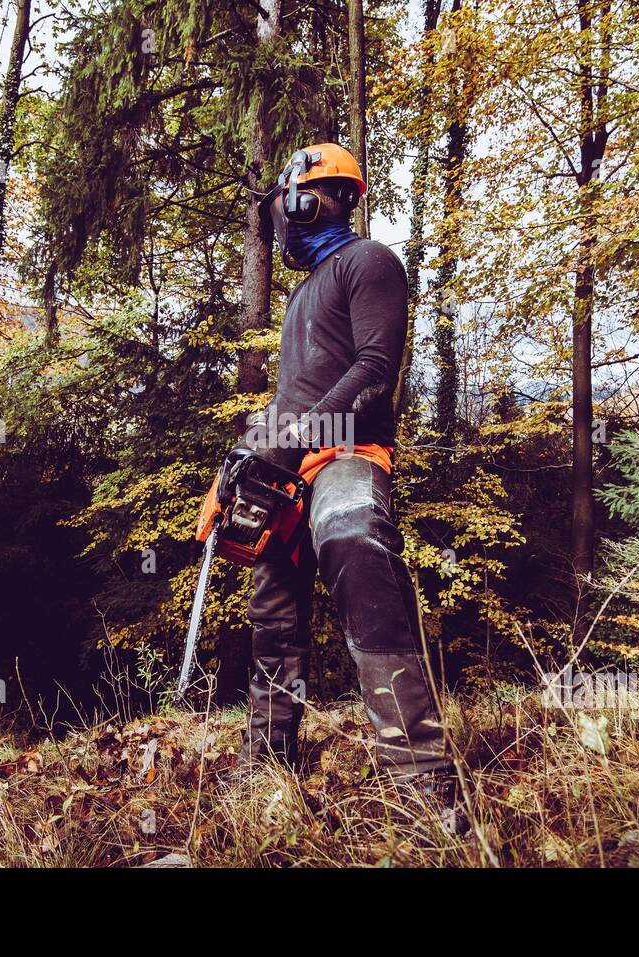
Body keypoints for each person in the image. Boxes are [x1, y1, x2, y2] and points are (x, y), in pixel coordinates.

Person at [232, 142, 450, 781]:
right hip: (290, 462)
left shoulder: (370, 262)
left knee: (354, 543)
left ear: (316, 198)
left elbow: (376, 370)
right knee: (272, 608)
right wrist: (250, 453)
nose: (281, 221)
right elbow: (289, 394)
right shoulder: (301, 297)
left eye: (287, 206)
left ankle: (421, 774)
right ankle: (267, 765)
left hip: (347, 451)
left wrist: (298, 435)